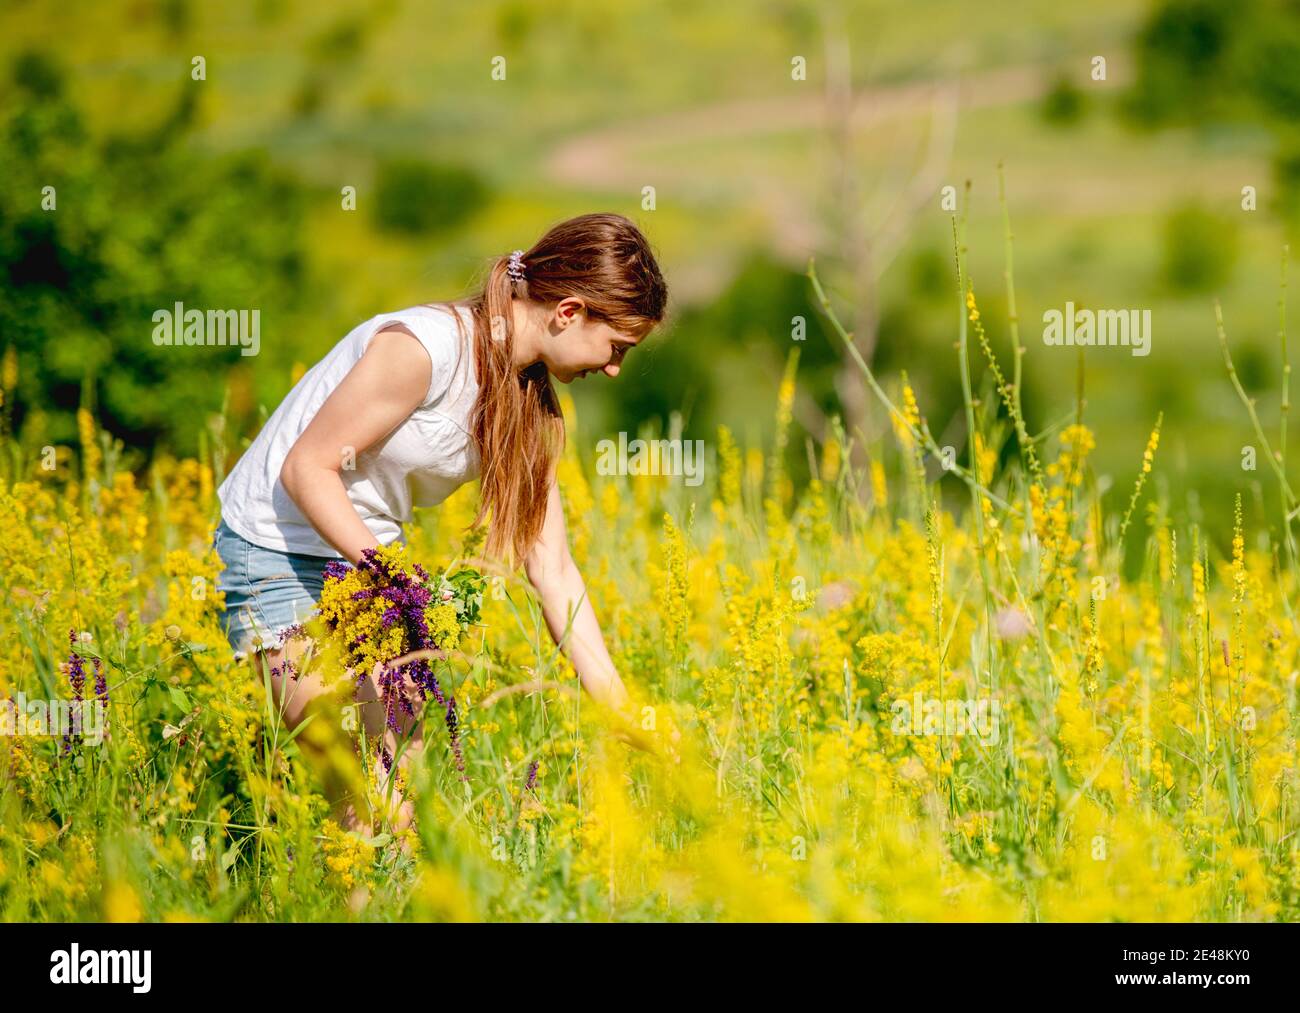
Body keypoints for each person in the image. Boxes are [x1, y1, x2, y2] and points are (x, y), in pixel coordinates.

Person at [211, 212, 669, 834]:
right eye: (617, 347)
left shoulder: (532, 411)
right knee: (370, 788)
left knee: (405, 795)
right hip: (279, 552)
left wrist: (619, 705)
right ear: (568, 311)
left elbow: (553, 568)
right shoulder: (425, 348)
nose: (614, 368)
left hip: (369, 570)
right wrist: (394, 579)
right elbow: (307, 469)